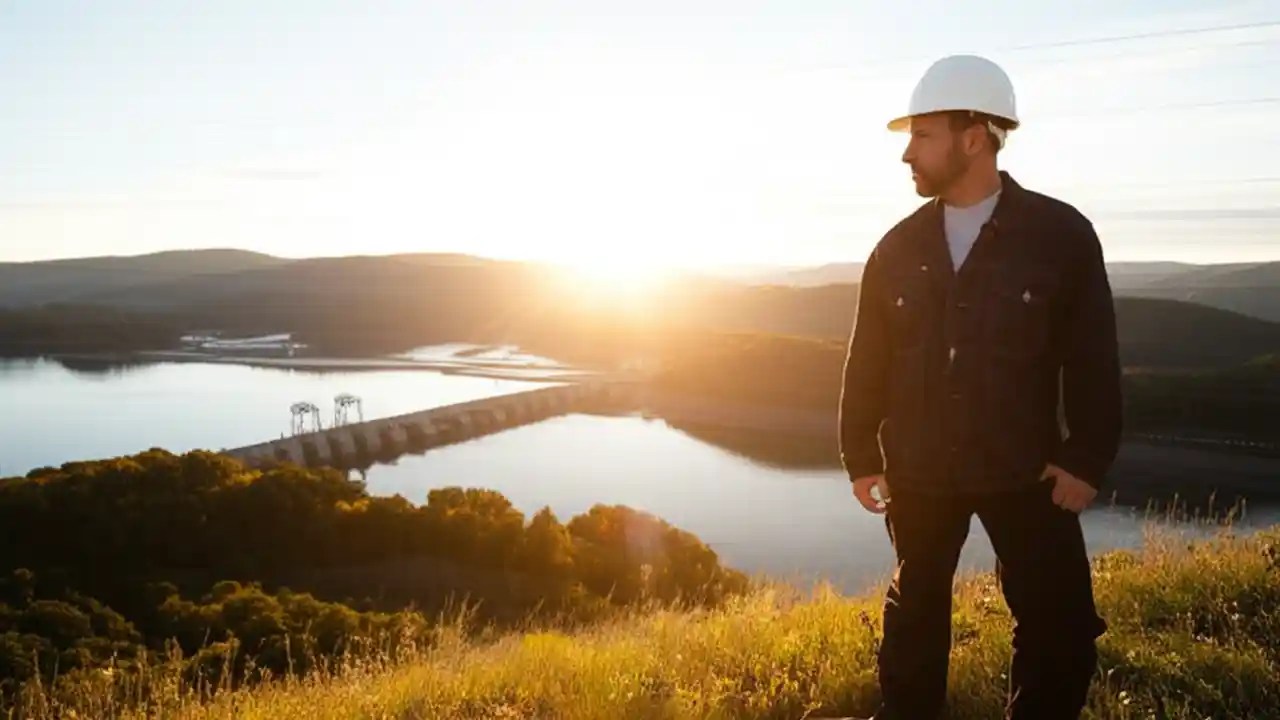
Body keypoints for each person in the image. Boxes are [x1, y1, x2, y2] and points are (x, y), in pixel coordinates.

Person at [839, 54, 1123, 720]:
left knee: (1059, 627)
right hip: (919, 472)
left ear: (975, 137)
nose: (907, 153)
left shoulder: (1061, 236)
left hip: (1027, 470)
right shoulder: (895, 248)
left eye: (923, 135)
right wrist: (860, 455)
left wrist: (1087, 457)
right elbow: (868, 360)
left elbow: (1093, 357)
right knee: (914, 623)